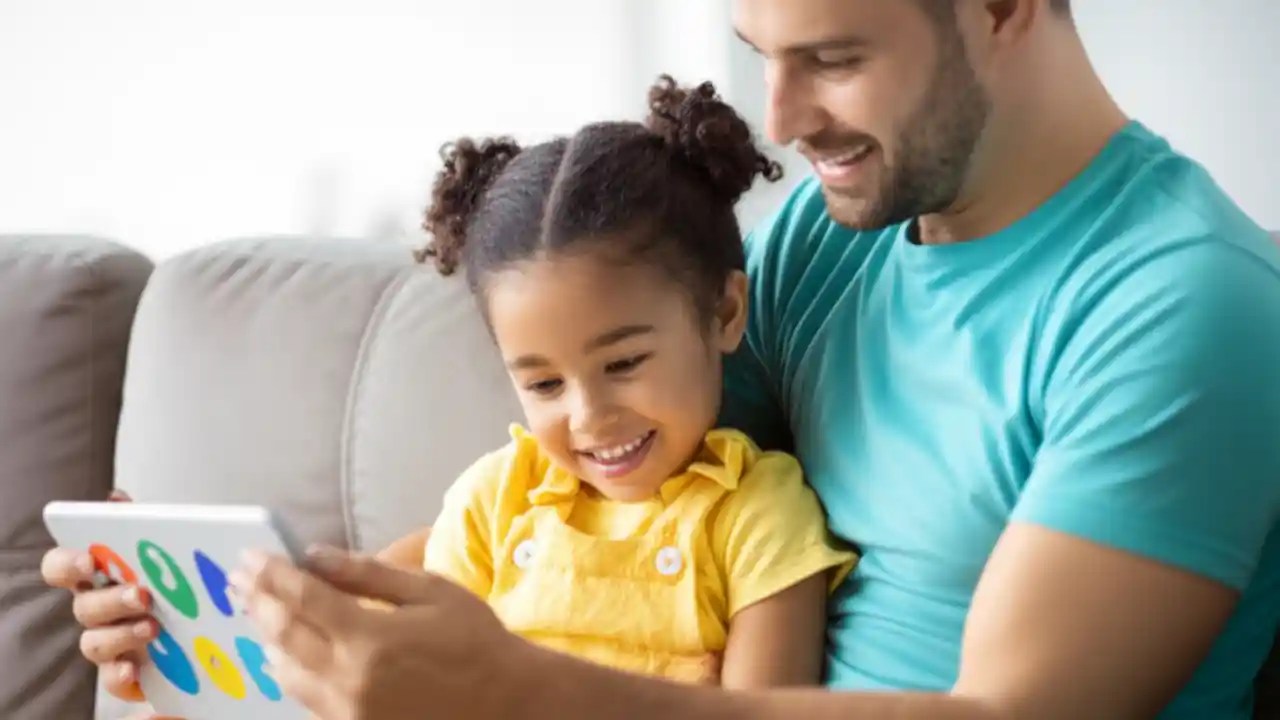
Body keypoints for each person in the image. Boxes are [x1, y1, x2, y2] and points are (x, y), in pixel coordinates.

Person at [42, 0, 1280, 718]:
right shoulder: (825, 236)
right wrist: (269, 606)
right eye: (761, 54)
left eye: (834, 57)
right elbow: (595, 488)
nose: (783, 123)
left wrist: (514, 695)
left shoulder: (1181, 306)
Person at [409, 76, 855, 686]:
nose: (589, 416)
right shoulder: (492, 503)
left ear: (724, 314)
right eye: (544, 385)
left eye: (622, 365)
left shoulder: (757, 518)